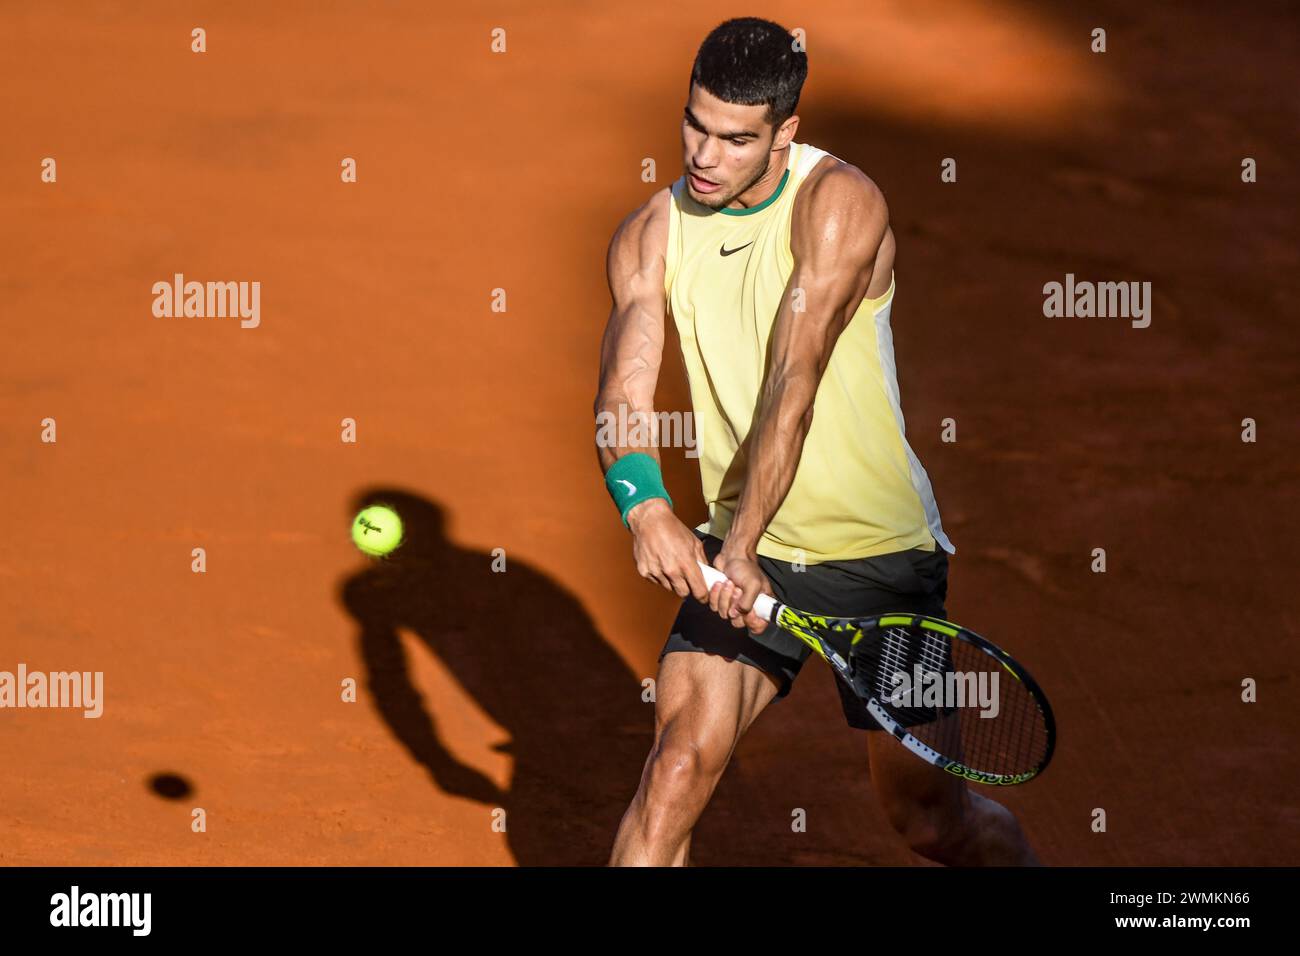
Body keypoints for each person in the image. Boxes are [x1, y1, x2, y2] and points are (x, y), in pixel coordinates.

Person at [595, 16, 1039, 867]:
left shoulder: (839, 205)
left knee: (927, 820)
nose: (704, 156)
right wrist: (645, 504)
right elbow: (622, 389)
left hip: (878, 558)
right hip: (741, 548)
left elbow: (789, 386)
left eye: (735, 139)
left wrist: (746, 548)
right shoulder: (652, 233)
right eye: (695, 124)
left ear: (784, 133)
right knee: (675, 771)